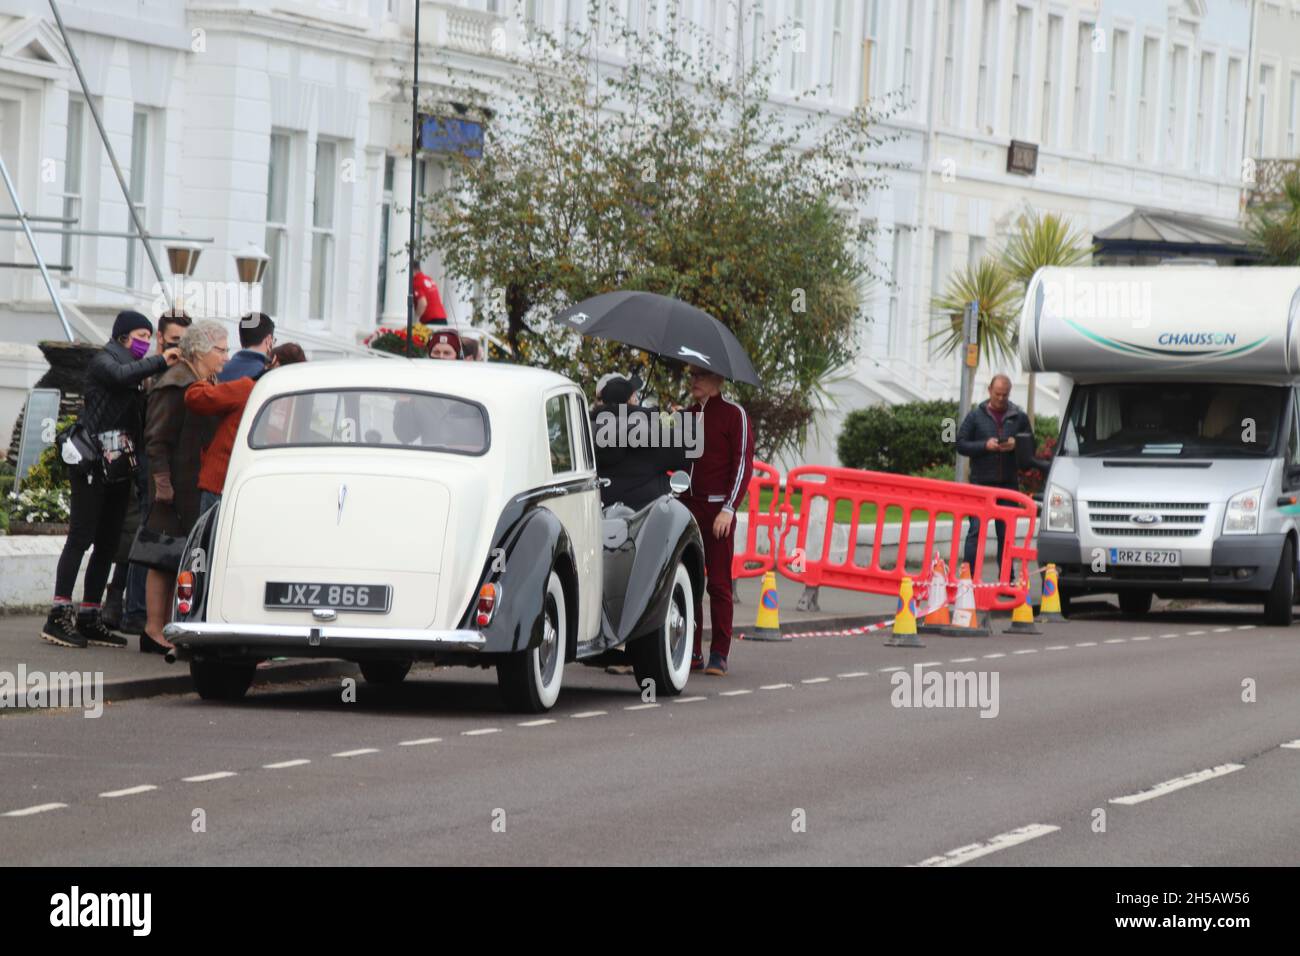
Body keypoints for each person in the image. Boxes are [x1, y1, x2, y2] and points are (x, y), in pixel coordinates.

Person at [41, 311, 180, 649]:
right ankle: (58, 614)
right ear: (121, 336)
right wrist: (162, 359)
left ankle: (91, 615)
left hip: (119, 462)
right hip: (91, 461)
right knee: (80, 537)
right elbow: (120, 376)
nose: (145, 341)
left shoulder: (138, 370)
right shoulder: (105, 361)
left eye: (149, 335)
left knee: (108, 541)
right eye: (139, 335)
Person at [139, 320, 226, 654]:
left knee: (179, 558)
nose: (225, 357)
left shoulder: (202, 380)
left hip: (192, 483)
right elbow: (156, 438)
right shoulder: (175, 383)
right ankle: (153, 630)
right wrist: (163, 483)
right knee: (162, 558)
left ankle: (169, 629)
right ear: (201, 350)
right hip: (174, 485)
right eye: (220, 349)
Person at [103, 308, 192, 634]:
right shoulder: (149, 371)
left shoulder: (170, 372)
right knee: (145, 538)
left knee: (142, 535)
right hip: (139, 462)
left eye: (183, 341)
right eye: (172, 341)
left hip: (143, 463)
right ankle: (134, 611)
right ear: (160, 338)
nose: (177, 348)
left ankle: (126, 607)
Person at [682, 365, 754, 676]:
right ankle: (692, 650)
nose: (694, 381)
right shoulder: (685, 415)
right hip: (687, 509)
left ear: (718, 380)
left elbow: (743, 464)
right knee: (690, 583)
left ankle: (719, 652)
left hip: (717, 511)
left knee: (719, 584)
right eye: (692, 376)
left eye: (700, 375)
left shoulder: (734, 415)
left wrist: (729, 507)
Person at [956, 374, 1031, 580]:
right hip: (981, 484)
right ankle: (967, 579)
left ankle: (1007, 579)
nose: (1000, 398)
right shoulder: (975, 416)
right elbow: (960, 444)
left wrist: (1016, 444)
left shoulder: (1019, 417)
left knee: (1006, 535)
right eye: (997, 394)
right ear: (989, 390)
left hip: (1008, 485)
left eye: (1004, 395)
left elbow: (1030, 444)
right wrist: (984, 445)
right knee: (975, 532)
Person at [591, 372, 688, 511]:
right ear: (629, 399)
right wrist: (682, 417)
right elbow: (686, 448)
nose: (636, 397)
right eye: (632, 393)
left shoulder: (586, 431)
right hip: (641, 520)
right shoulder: (645, 433)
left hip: (601, 518)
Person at [218, 311, 274, 382]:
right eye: (273, 340)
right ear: (268, 340)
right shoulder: (268, 375)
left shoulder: (218, 370)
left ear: (241, 338)